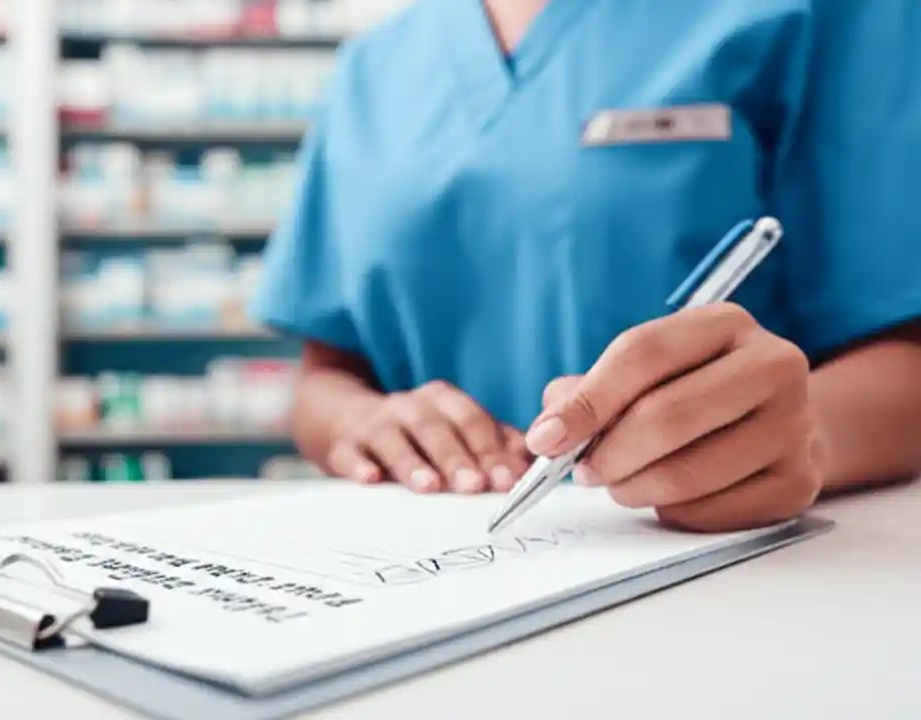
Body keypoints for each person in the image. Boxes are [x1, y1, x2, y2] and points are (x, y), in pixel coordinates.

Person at [250, 0, 921, 532]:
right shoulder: (375, 65)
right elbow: (327, 374)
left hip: (722, 574)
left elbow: (903, 361)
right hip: (436, 565)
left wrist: (803, 437)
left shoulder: (831, 14)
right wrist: (358, 424)